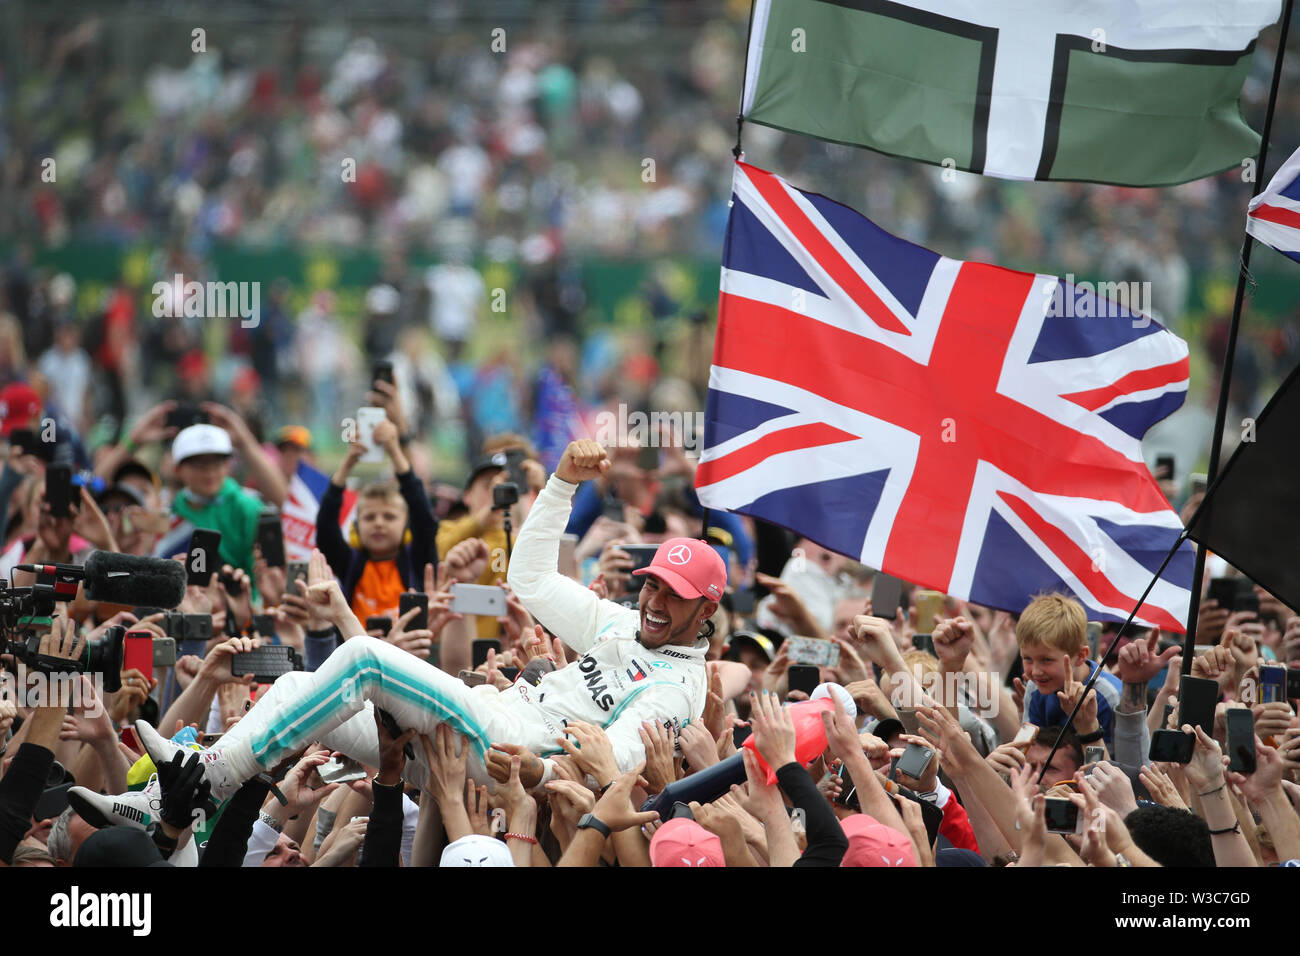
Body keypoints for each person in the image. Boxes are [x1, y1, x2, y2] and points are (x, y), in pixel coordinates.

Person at [123, 439, 725, 803]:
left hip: (509, 750)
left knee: (363, 659)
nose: (654, 600)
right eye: (652, 584)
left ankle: (209, 778)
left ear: (707, 607)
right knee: (292, 687)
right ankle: (165, 803)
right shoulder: (624, 623)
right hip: (488, 722)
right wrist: (562, 482)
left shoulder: (677, 688)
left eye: (674, 595)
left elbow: (616, 761)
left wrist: (538, 768)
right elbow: (531, 581)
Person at [316, 417, 437, 623]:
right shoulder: (350, 564)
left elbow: (424, 518)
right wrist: (349, 462)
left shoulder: (418, 561)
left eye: (389, 516)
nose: (378, 523)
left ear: (406, 524)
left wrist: (394, 450)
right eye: (369, 517)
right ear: (357, 526)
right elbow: (326, 528)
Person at [1017, 593, 1121, 749]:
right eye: (1027, 659)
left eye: (1046, 660)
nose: (1036, 672)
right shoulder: (1034, 688)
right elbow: (1029, 751)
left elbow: (1115, 765)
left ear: (1080, 656)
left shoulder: (1108, 696)